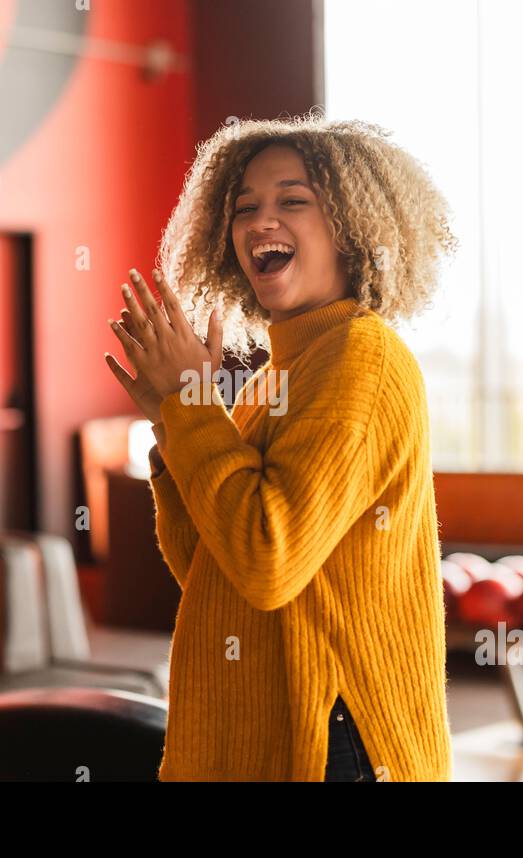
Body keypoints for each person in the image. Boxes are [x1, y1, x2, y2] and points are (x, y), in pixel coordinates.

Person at [104, 111, 458, 781]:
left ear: (355, 228)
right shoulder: (274, 377)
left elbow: (268, 561)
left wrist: (193, 406)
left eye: (293, 200)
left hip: (334, 738)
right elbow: (212, 568)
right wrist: (172, 422)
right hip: (272, 734)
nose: (260, 222)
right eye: (244, 207)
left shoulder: (360, 358)